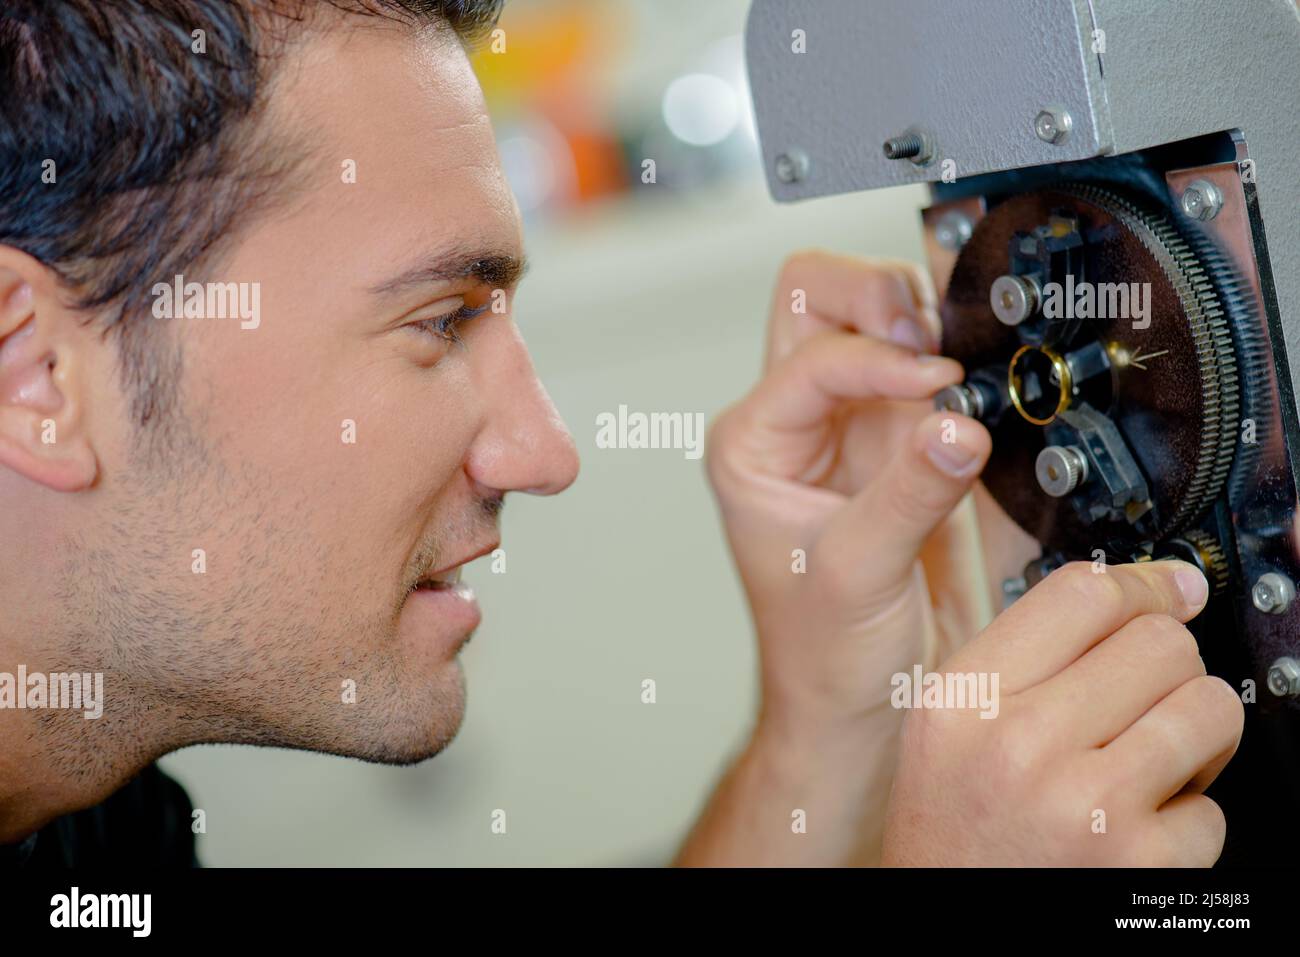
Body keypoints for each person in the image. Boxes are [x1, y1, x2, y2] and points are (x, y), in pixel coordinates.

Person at [0, 0, 1242, 868]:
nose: (546, 455)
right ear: (36, 375)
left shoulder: (102, 834)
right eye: (439, 322)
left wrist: (829, 714)